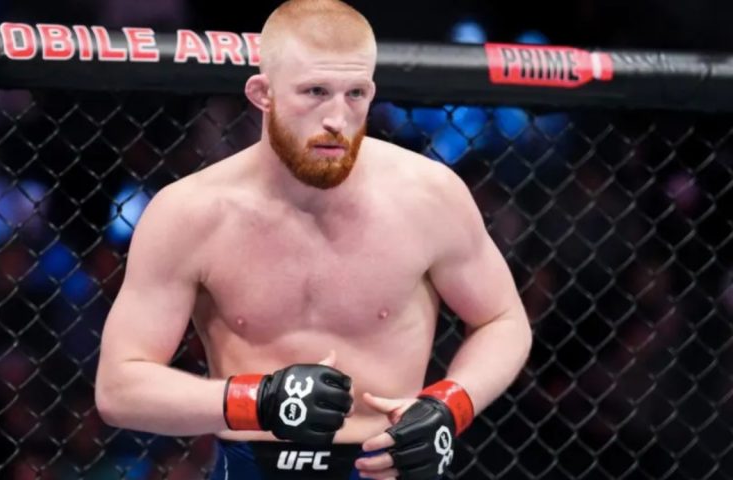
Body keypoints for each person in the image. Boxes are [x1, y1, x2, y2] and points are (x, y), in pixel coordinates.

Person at [94, 0, 533, 478]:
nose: (337, 119)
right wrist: (258, 400)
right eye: (316, 92)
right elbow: (119, 389)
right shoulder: (190, 213)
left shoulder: (428, 196)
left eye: (355, 94)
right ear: (263, 93)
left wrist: (449, 406)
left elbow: (503, 320)